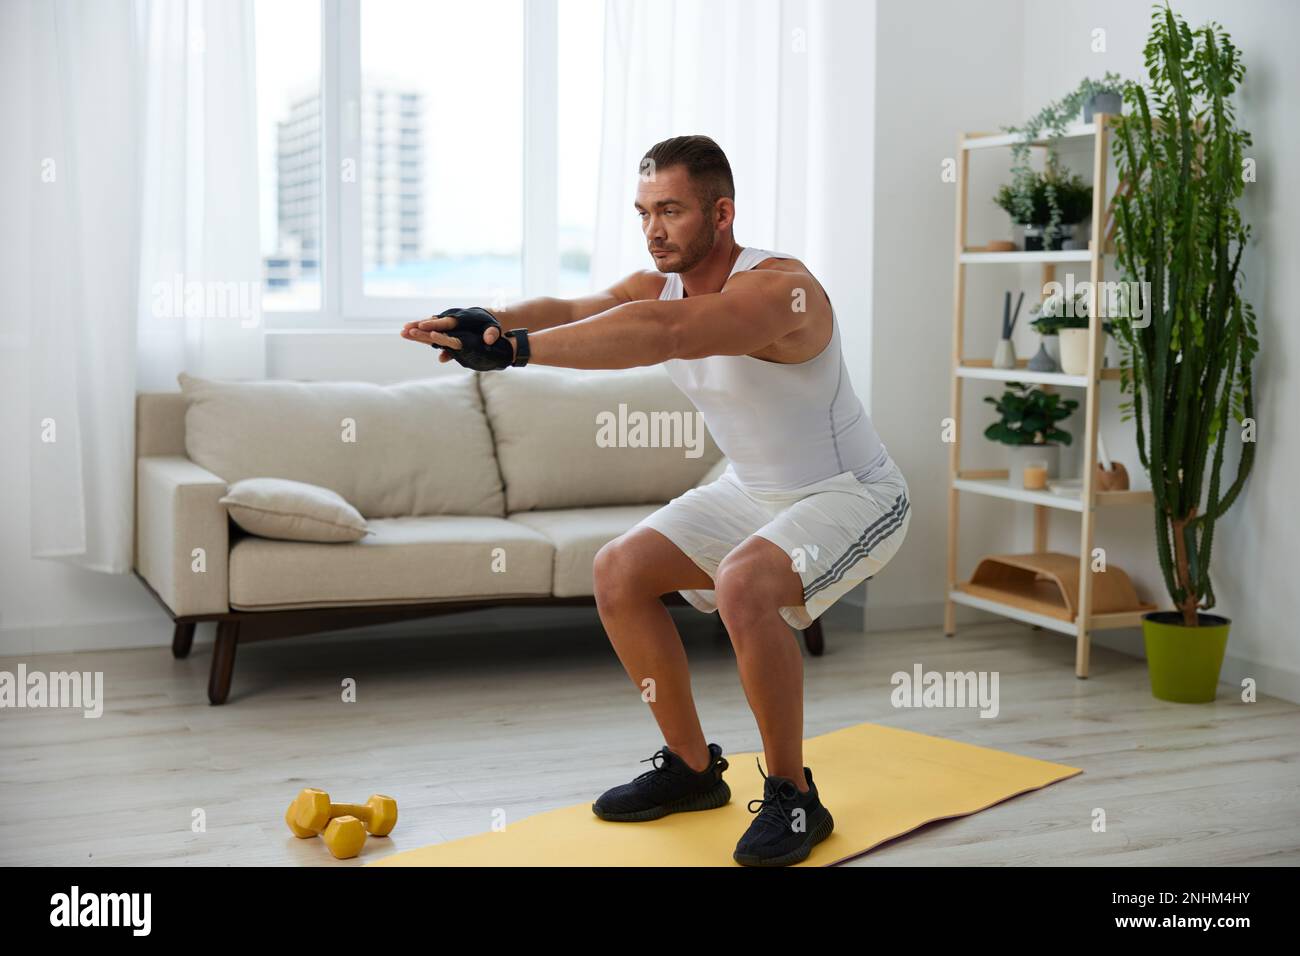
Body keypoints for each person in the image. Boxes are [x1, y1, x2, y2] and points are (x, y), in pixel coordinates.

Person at [400, 134, 910, 867]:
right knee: (619, 570)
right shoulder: (656, 285)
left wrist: (515, 350)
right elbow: (579, 306)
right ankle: (693, 769)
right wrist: (487, 322)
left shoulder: (779, 291)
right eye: (643, 212)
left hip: (852, 494)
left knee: (743, 582)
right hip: (752, 490)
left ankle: (796, 798)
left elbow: (665, 335)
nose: (653, 230)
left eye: (670, 210)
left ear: (722, 213)